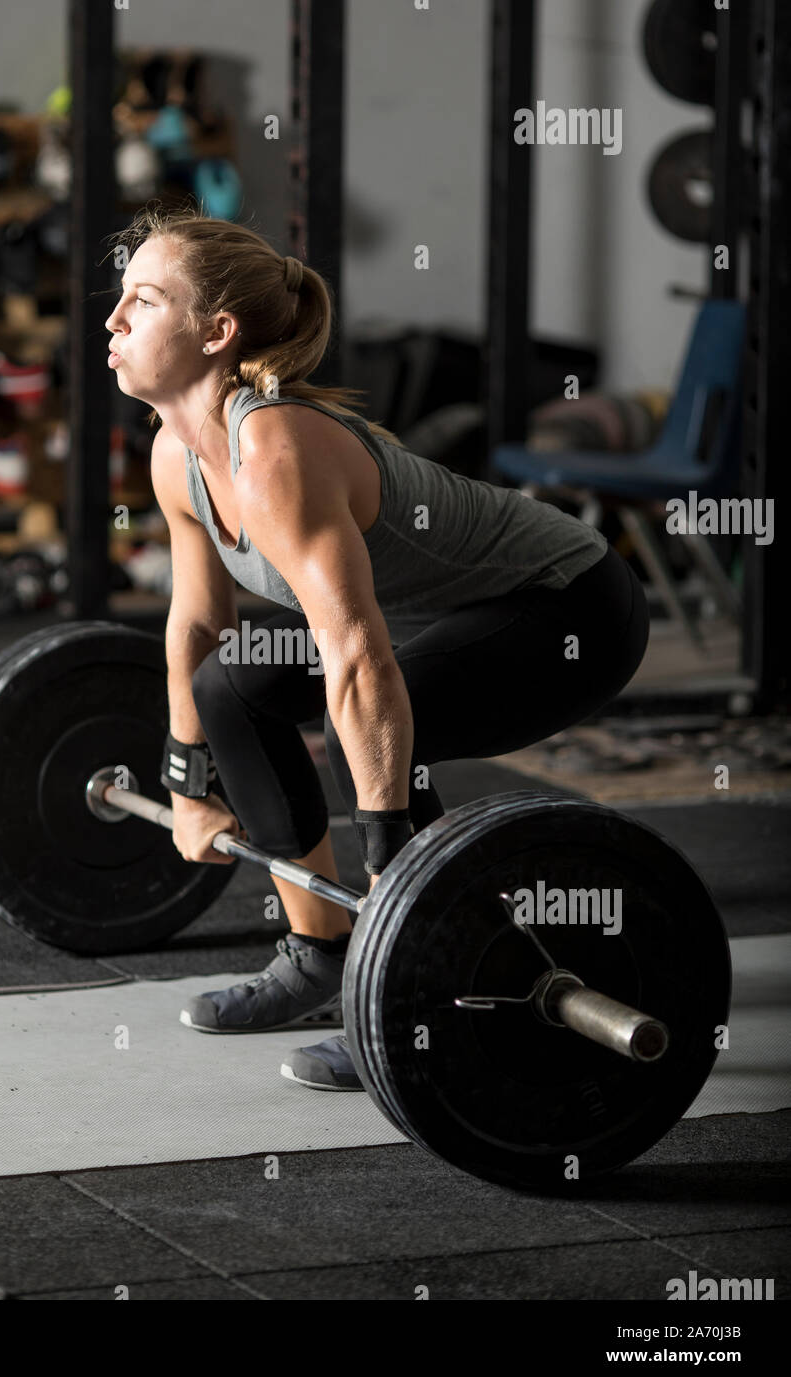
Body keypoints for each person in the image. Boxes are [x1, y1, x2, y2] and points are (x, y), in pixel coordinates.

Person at [103, 207, 649, 1091]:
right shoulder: (177, 454)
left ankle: (425, 993)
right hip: (436, 619)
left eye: (145, 301)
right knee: (230, 687)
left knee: (383, 726)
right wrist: (186, 779)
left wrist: (387, 852)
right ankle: (321, 955)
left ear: (218, 332)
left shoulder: (275, 449)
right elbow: (199, 623)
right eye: (120, 299)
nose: (114, 319)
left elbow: (357, 659)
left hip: (567, 608)